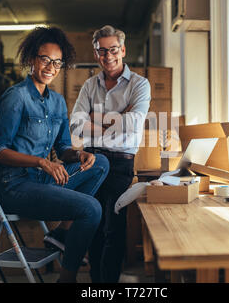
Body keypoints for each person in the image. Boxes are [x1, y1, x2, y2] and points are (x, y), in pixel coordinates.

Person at [0, 26, 110, 283]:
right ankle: (67, 277)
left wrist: (78, 155)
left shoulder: (56, 102)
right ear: (31, 58)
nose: (51, 67)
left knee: (100, 162)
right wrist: (41, 162)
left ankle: (62, 233)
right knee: (91, 209)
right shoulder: (16, 97)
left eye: (57, 62)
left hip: (42, 182)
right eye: (45, 59)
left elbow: (63, 149)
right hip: (14, 185)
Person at [70, 25, 151, 282]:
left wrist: (96, 120)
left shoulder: (140, 84)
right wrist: (116, 120)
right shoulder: (89, 85)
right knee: (92, 223)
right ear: (96, 54)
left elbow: (134, 123)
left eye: (113, 50)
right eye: (102, 51)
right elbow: (75, 124)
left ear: (123, 50)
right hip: (91, 159)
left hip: (120, 163)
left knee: (113, 228)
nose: (108, 56)